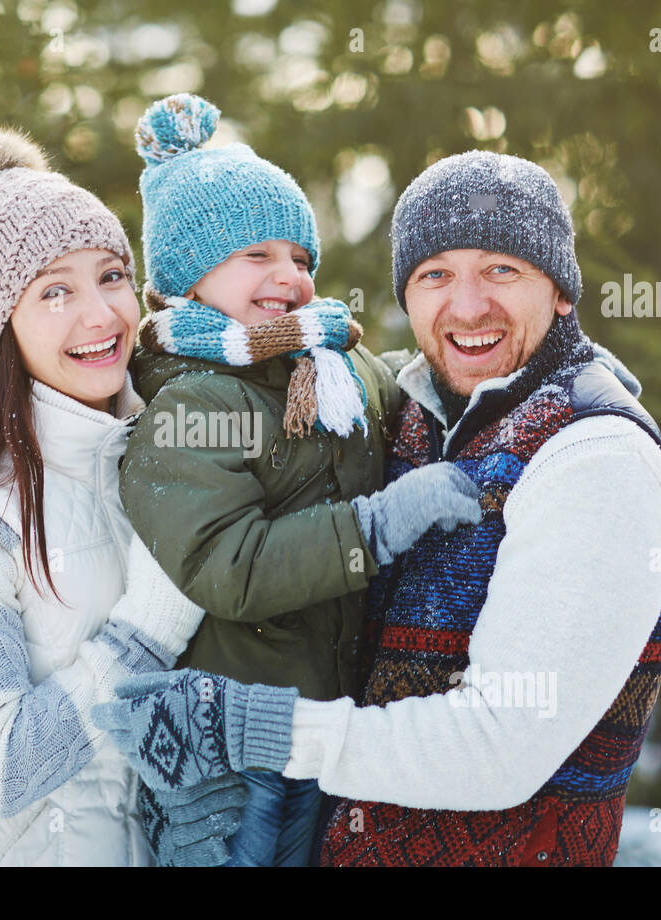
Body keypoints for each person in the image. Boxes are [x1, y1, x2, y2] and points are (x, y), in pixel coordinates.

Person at [96, 148, 661, 867]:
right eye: (435, 275)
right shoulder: (410, 412)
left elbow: (502, 744)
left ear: (562, 291)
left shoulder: (596, 459)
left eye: (502, 269)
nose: (468, 306)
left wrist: (257, 728)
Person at [116, 94, 483, 867]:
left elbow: (421, 398)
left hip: (328, 731)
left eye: (300, 258)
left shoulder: (334, 365)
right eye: (257, 255)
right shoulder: (189, 401)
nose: (287, 275)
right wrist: (374, 529)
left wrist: (545, 376)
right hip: (226, 759)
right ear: (187, 275)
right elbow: (228, 566)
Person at [0, 122, 225, 866]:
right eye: (54, 291)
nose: (99, 314)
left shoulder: (157, 449)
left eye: (110, 276)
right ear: (3, 324)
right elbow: (1, 766)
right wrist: (146, 631)